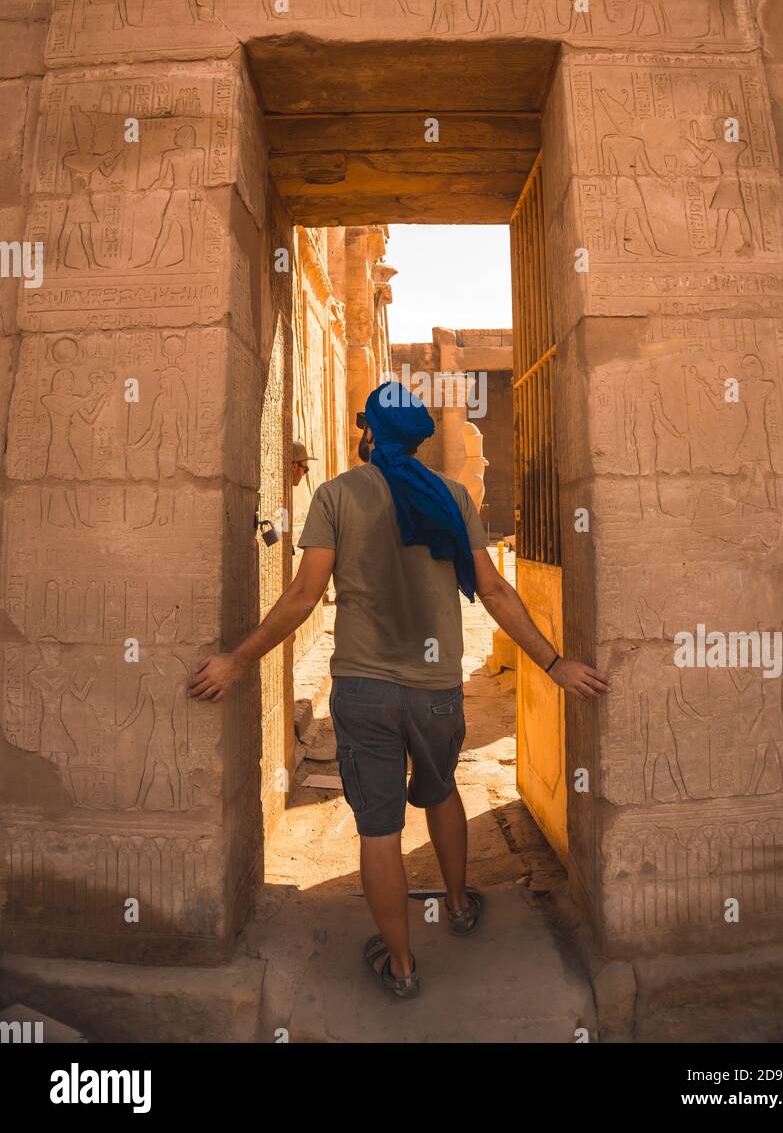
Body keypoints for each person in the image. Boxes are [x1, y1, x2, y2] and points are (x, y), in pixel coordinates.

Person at [190, 382, 608, 1000]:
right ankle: (461, 906)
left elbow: (303, 597)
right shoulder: (453, 496)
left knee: (379, 830)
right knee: (442, 792)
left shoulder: (336, 496)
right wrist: (554, 664)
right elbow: (493, 591)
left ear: (371, 434)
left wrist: (236, 661)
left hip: (365, 690)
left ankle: (404, 966)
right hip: (436, 689)